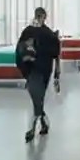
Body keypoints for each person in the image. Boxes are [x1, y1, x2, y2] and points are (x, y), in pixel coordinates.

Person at [16, 7, 62, 143]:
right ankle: (41, 123)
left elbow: (19, 51)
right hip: (41, 70)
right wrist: (57, 73)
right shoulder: (47, 34)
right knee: (38, 98)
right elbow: (56, 53)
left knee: (37, 98)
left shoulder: (29, 32)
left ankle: (34, 127)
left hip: (35, 70)